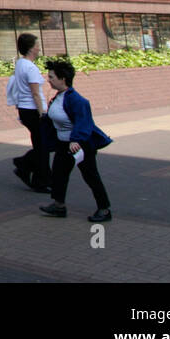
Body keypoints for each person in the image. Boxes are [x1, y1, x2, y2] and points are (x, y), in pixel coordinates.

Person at [39, 58, 114, 222]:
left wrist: (76, 140)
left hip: (80, 146)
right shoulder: (58, 97)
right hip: (63, 145)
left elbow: (84, 122)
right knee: (59, 173)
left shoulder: (77, 100)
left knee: (90, 175)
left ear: (62, 79)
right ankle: (59, 205)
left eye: (51, 77)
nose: (48, 80)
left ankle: (104, 209)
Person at [6, 33, 50, 193]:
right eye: (37, 45)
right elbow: (35, 93)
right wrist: (42, 113)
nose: (39, 48)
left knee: (41, 144)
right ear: (31, 48)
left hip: (24, 109)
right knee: (43, 146)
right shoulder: (30, 68)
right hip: (32, 110)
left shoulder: (20, 64)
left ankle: (32, 172)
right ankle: (29, 169)